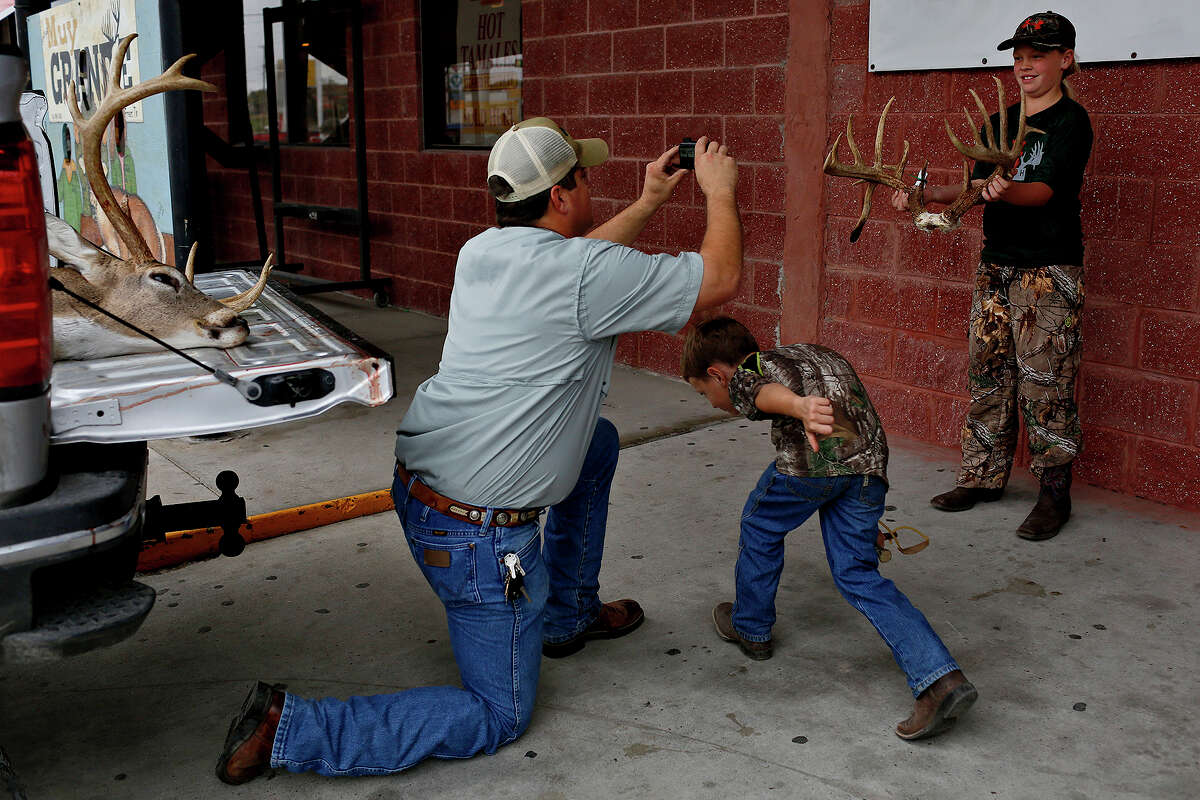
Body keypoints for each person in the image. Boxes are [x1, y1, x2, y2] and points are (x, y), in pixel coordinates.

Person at [215, 118, 743, 783]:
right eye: (583, 177)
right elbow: (719, 279)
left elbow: (580, 269)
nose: (590, 186)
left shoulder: (482, 252)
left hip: (424, 492)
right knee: (500, 711)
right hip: (482, 544)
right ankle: (290, 729)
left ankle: (566, 616)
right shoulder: (580, 272)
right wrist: (719, 190)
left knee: (598, 443)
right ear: (561, 195)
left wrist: (648, 202)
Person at [682, 317, 978, 740]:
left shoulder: (747, 373)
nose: (710, 402)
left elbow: (763, 392)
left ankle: (751, 627)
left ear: (716, 374)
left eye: (703, 392)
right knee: (857, 574)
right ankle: (940, 679)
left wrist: (799, 407)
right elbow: (846, 414)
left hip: (809, 470)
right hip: (867, 470)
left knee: (760, 525)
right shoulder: (814, 353)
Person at [894, 11, 1092, 541]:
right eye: (1019, 57)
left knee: (1046, 380)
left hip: (1048, 270)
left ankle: (1054, 493)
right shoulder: (999, 122)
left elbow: (1044, 191)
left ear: (1065, 60)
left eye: (1037, 57)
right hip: (995, 266)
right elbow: (974, 189)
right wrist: (926, 195)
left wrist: (1003, 191)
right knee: (989, 372)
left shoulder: (1070, 122)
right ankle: (982, 477)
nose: (1025, 66)